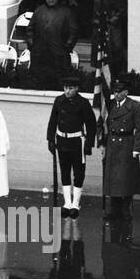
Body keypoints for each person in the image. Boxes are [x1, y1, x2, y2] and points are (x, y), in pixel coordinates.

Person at [45, 75, 96, 218]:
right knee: (65, 171)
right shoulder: (59, 101)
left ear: (77, 88)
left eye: (71, 88)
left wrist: (89, 144)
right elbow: (52, 121)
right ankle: (67, 203)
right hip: (62, 141)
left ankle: (75, 204)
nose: (67, 91)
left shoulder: (83, 103)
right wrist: (50, 139)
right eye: (66, 88)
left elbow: (91, 124)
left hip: (77, 143)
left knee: (78, 173)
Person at [101, 74, 140, 222]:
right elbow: (104, 124)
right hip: (112, 144)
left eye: (119, 92)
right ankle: (114, 210)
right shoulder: (110, 105)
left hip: (127, 143)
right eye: (115, 91)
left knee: (126, 179)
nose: (116, 94)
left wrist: (137, 148)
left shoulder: (134, 106)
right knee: (113, 178)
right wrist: (103, 144)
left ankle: (126, 210)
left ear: (126, 92)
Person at [29, 0, 79, 73]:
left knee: (59, 77)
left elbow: (74, 32)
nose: (50, 0)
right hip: (39, 56)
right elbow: (30, 29)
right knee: (38, 78)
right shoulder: (39, 11)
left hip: (59, 56)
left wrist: (67, 48)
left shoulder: (67, 12)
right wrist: (32, 46)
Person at [92, 0, 127, 74]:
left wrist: (112, 20)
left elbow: (122, 10)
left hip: (112, 28)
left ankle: (117, 73)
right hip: (99, 27)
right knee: (99, 53)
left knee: (114, 51)